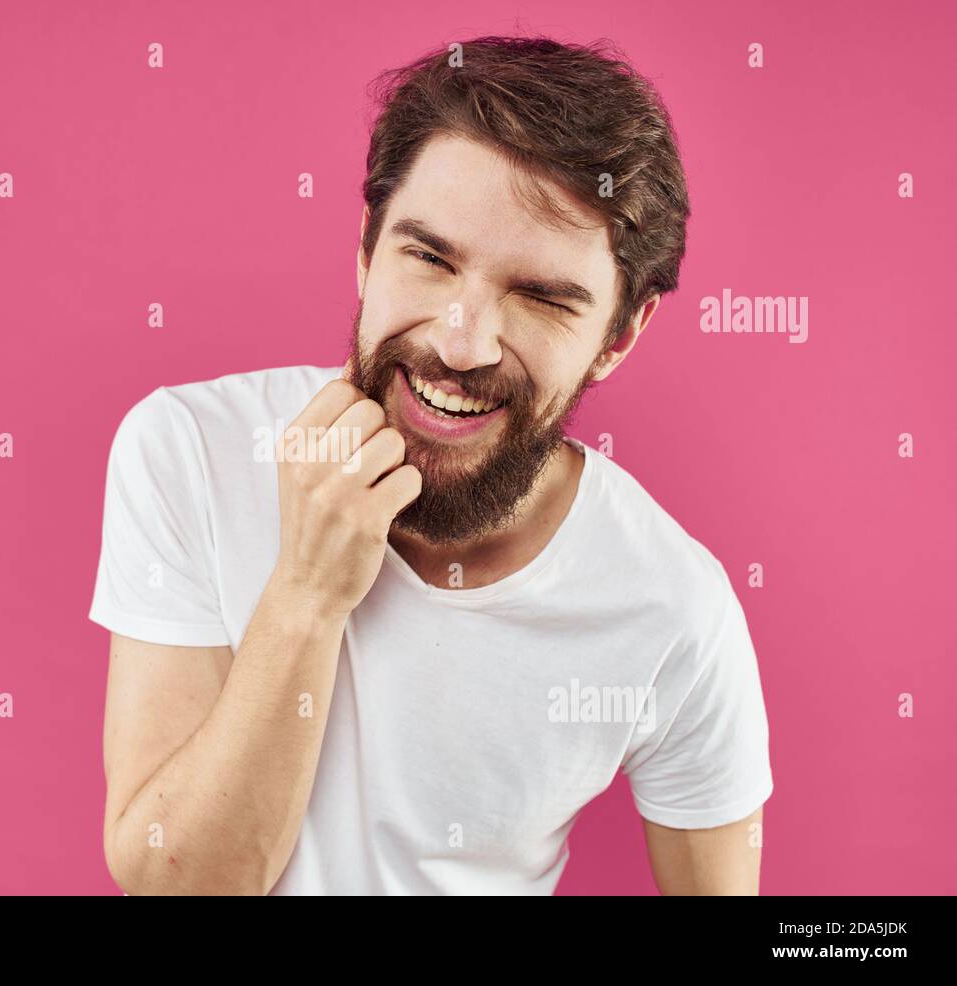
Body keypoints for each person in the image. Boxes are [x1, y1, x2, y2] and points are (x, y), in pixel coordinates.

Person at [90, 36, 773, 895]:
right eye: (430, 258)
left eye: (541, 298)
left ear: (618, 337)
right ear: (368, 251)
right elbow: (174, 881)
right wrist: (306, 590)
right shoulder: (187, 451)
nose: (463, 341)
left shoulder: (675, 607)